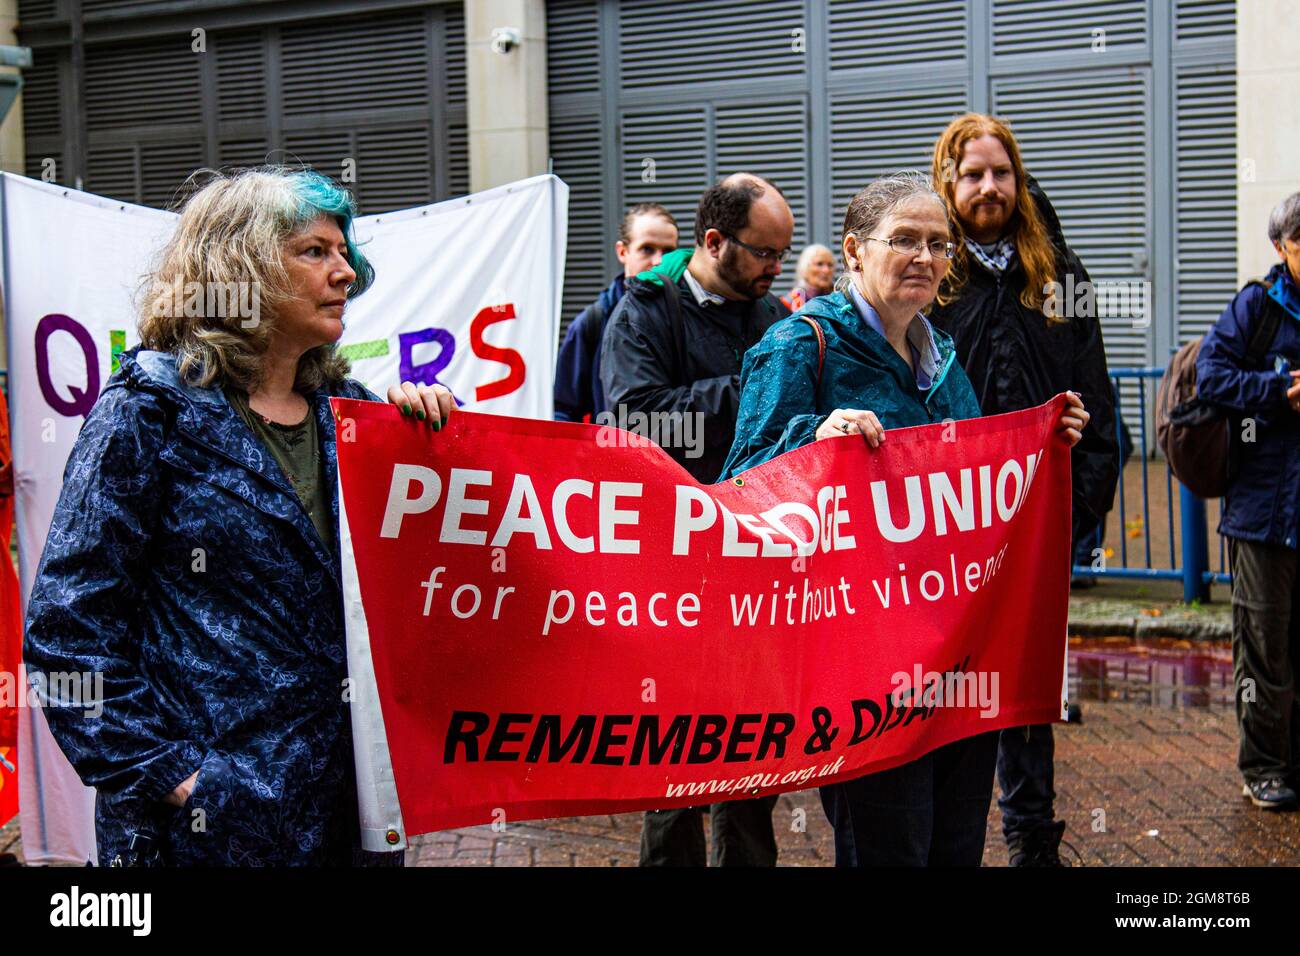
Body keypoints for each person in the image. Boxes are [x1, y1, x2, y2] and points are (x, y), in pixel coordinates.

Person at [23, 167, 453, 866]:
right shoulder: (147, 414)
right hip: (203, 839)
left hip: (351, 824)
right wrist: (181, 781)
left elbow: (422, 597)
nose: (345, 272)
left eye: (345, 252)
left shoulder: (357, 416)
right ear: (240, 267)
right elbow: (67, 636)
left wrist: (427, 444)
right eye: (315, 251)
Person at [720, 170, 1089, 866]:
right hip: (859, 665)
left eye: (940, 244)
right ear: (855, 252)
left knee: (954, 848)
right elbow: (740, 483)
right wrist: (815, 438)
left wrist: (1043, 446)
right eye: (906, 240)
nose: (927, 257)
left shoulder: (942, 356)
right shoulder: (799, 345)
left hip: (954, 657)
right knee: (889, 849)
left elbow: (975, 484)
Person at [926, 113, 1118, 866]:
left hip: (1038, 528)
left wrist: (1078, 513)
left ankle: (1033, 844)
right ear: (949, 181)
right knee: (948, 692)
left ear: (1019, 179)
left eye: (1000, 172)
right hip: (943, 531)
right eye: (972, 174)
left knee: (1029, 696)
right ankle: (949, 844)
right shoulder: (929, 276)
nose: (988, 187)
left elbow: (1097, 405)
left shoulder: (1060, 280)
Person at [601, 172, 793, 865]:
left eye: (784, 253)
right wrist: (749, 391)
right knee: (677, 756)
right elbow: (632, 418)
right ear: (715, 243)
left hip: (757, 563)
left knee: (753, 757)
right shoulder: (645, 311)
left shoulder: (773, 316)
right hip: (674, 568)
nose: (779, 269)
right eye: (765, 253)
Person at [1197, 191, 1300, 812]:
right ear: (1284, 247)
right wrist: (1279, 390)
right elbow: (1211, 376)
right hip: (1263, 512)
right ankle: (1263, 767)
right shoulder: (1257, 307)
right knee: (1263, 645)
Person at [553, 203, 678, 422]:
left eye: (668, 251)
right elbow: (563, 411)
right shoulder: (591, 322)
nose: (658, 261)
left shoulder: (689, 312)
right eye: (647, 249)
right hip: (611, 451)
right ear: (622, 251)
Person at [781, 243, 835, 312]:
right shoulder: (789, 303)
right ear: (805, 268)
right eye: (819, 264)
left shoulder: (839, 300)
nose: (826, 270)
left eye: (830, 265)